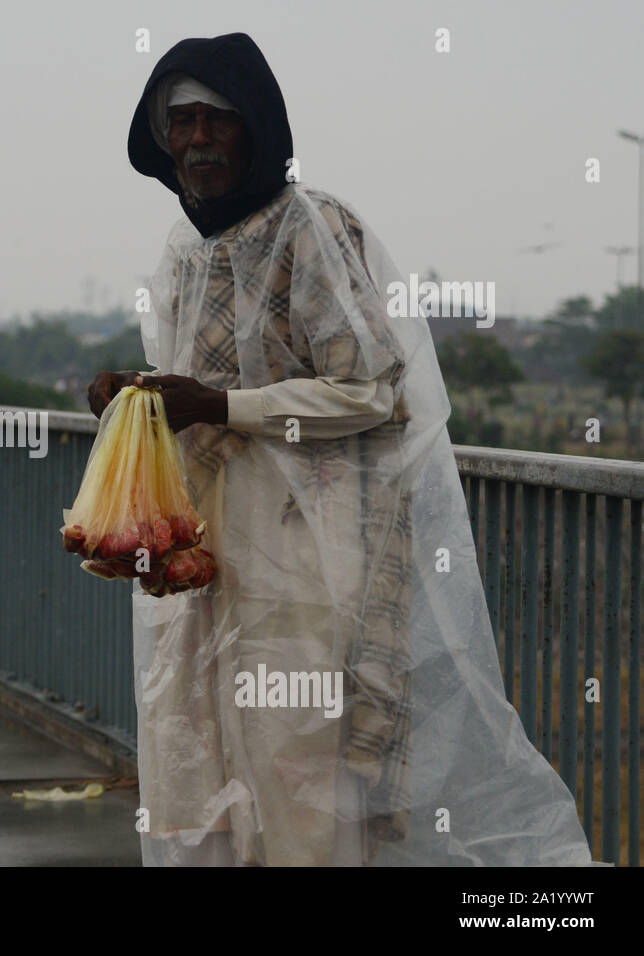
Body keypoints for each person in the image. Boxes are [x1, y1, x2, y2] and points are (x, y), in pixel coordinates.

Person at [89, 33, 591, 866]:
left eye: (218, 120)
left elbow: (370, 390)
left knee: (302, 769)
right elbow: (200, 381)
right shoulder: (185, 249)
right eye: (181, 123)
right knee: (206, 762)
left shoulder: (310, 228)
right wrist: (138, 394)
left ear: (257, 130)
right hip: (207, 555)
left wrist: (222, 405)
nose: (199, 140)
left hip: (308, 555)